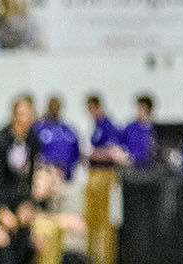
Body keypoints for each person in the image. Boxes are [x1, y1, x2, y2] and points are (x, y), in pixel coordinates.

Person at [0, 98, 37, 236]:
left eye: (29, 115)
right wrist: (0, 208)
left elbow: (29, 175)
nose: (25, 119)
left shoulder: (33, 140)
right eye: (22, 114)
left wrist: (27, 203)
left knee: (28, 232)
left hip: (19, 197)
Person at [80, 96, 123, 264]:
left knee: (105, 221)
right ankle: (91, 257)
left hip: (105, 175)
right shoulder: (95, 125)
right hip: (93, 172)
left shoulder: (108, 125)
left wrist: (93, 154)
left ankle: (105, 258)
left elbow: (114, 152)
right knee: (91, 219)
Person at [31, 99, 79, 183]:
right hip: (44, 175)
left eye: (57, 107)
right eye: (52, 106)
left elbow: (76, 152)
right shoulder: (38, 128)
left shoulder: (68, 130)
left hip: (65, 176)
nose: (54, 109)